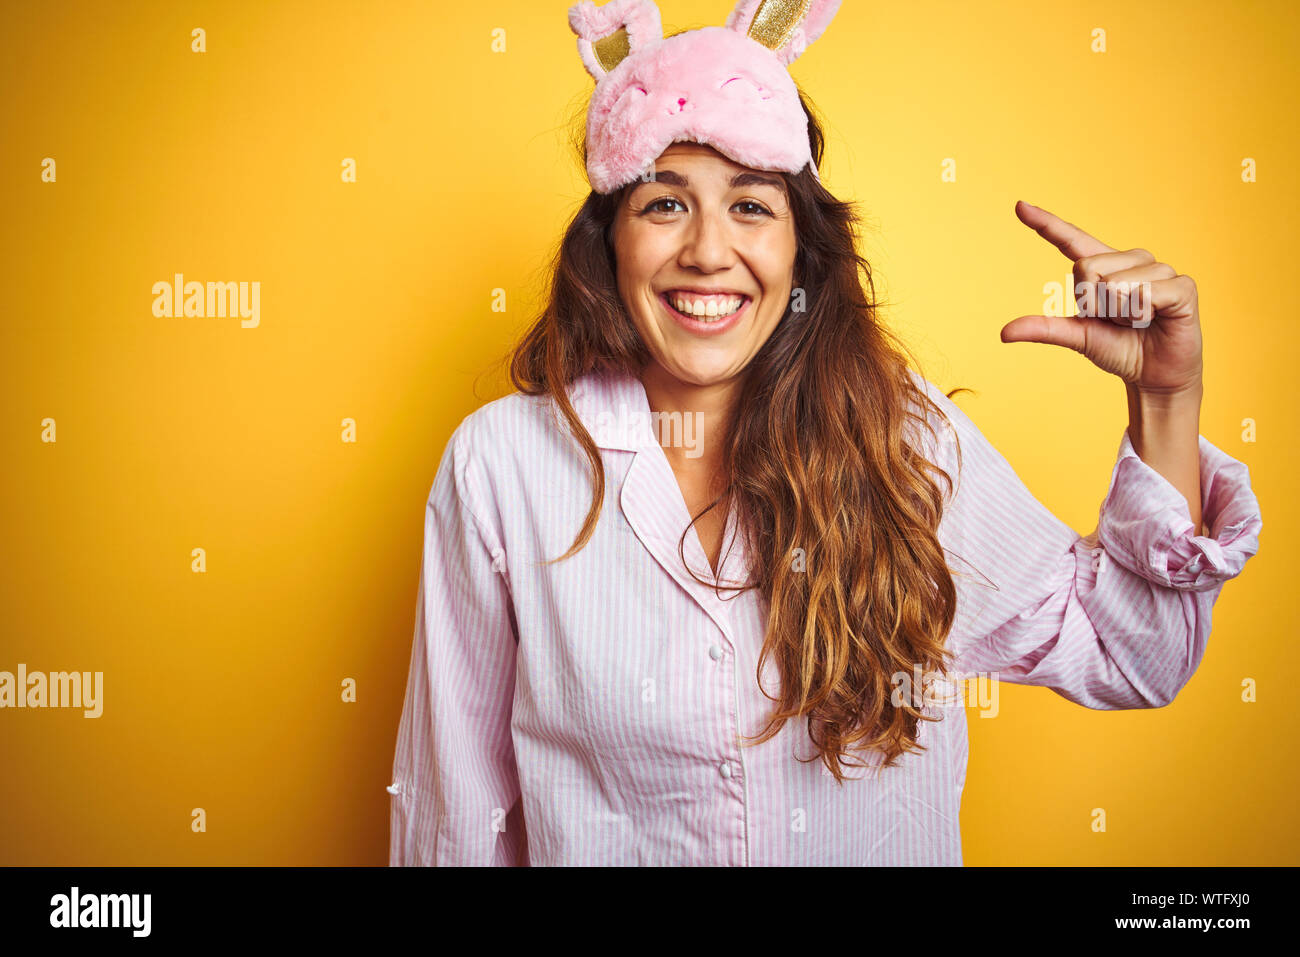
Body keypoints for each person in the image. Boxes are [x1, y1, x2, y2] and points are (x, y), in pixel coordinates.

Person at [387, 0, 1263, 866]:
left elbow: (1132, 656)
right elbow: (453, 811)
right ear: (608, 241)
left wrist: (1165, 399)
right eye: (663, 204)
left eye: (752, 206)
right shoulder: (502, 463)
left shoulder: (901, 439)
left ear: (800, 248)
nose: (707, 251)